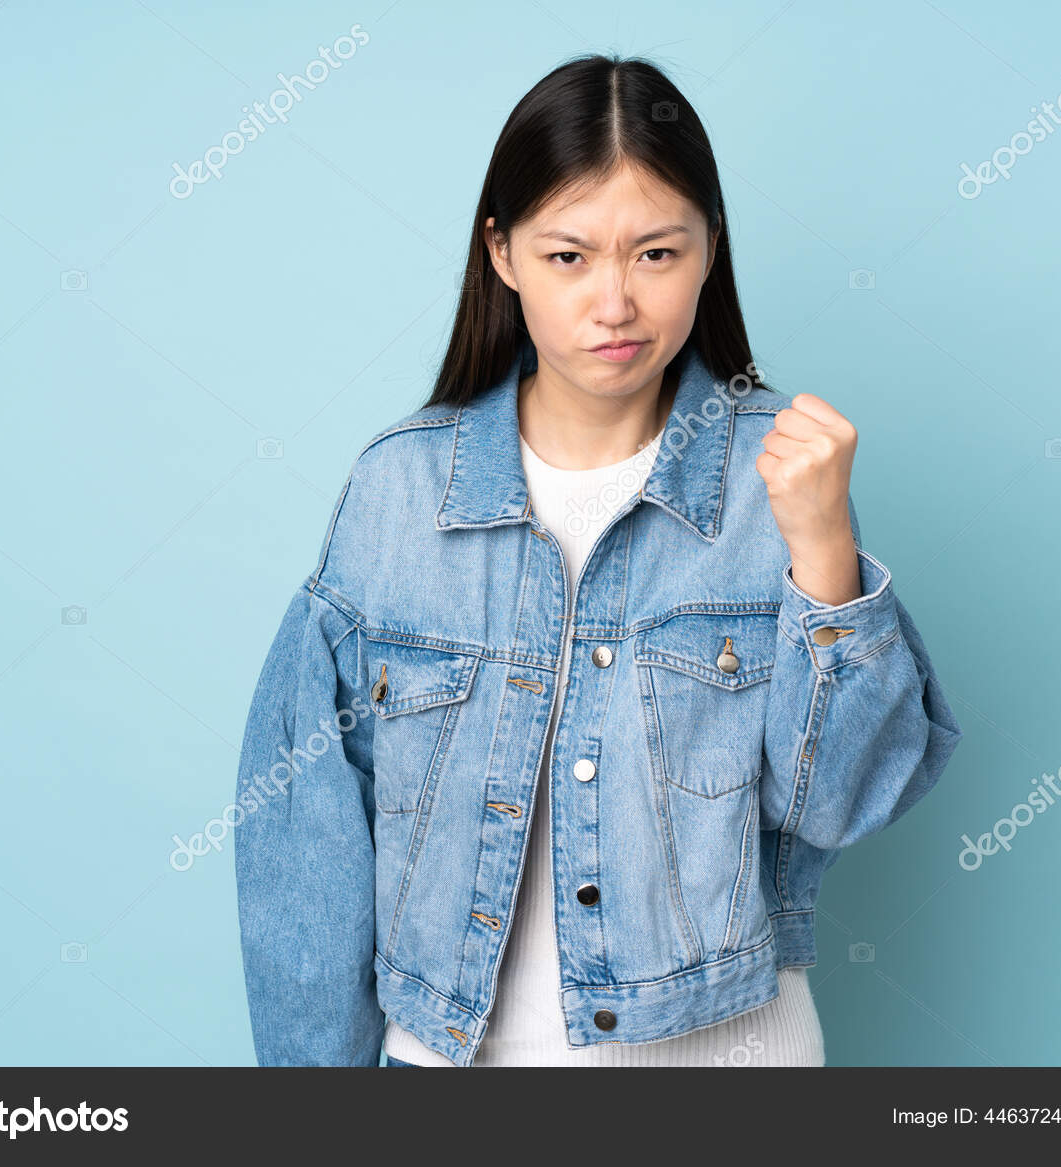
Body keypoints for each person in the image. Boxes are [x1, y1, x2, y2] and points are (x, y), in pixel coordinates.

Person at [235, 53, 962, 1068]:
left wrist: (824, 551)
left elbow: (841, 804)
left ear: (709, 250)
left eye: (656, 254)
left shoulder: (784, 480)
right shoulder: (397, 493)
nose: (614, 303)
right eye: (569, 256)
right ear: (502, 254)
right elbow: (303, 836)